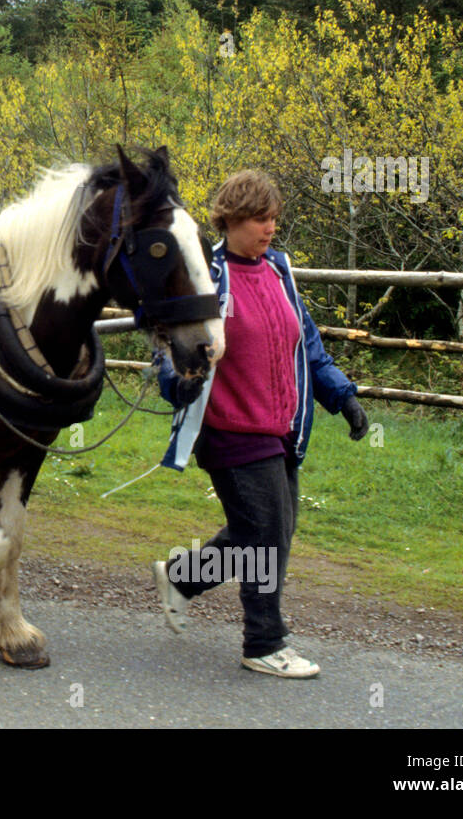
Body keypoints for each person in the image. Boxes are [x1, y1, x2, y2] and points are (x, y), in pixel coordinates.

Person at [152, 169, 369, 678]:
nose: (270, 228)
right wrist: (177, 381)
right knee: (267, 534)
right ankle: (264, 642)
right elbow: (172, 347)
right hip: (229, 428)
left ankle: (184, 577)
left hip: (281, 427)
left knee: (269, 529)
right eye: (259, 219)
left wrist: (343, 397)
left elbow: (306, 343)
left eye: (274, 218)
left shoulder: (277, 269)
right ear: (230, 220)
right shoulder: (207, 276)